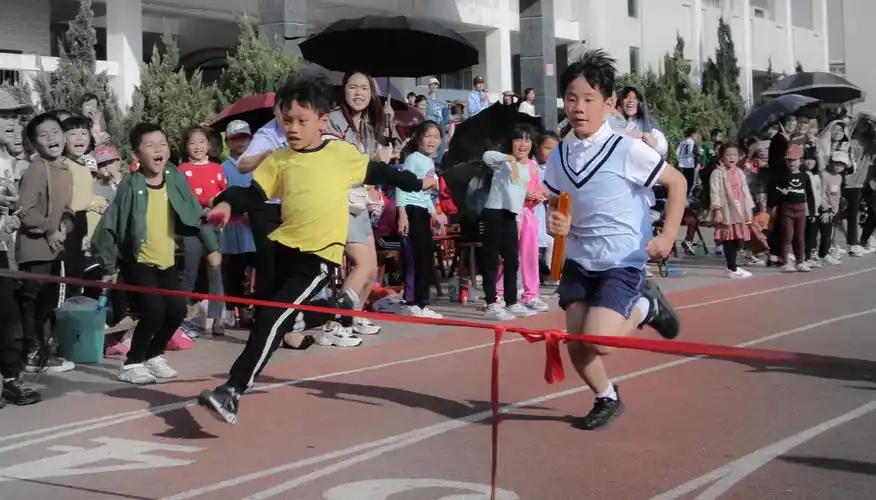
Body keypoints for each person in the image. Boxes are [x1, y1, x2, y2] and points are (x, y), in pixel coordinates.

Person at [198, 74, 437, 424]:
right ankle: (338, 308)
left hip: (317, 256)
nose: (292, 128)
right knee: (268, 320)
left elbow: (379, 171)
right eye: (286, 120)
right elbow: (250, 195)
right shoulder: (279, 159)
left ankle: (233, 391)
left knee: (272, 318)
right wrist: (224, 207)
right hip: (282, 248)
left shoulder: (340, 153)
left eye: (301, 121)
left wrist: (417, 182)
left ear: (323, 121)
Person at [544, 49, 684, 431]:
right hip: (579, 260)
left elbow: (677, 182)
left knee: (600, 342)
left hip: (622, 260)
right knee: (576, 343)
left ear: (608, 104)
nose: (579, 108)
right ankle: (606, 397)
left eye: (589, 99)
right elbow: (556, 201)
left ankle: (645, 306)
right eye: (571, 99)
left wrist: (668, 234)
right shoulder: (560, 153)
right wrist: (555, 220)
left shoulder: (626, 148)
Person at [92, 123, 221, 384]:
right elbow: (109, 225)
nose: (158, 149)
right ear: (137, 155)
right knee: (153, 313)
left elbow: (195, 213)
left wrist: (212, 247)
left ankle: (153, 355)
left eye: (162, 143)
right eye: (150, 146)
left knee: (176, 312)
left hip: (166, 260)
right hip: (138, 259)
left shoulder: (174, 178)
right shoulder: (131, 184)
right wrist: (108, 266)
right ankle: (131, 364)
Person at [16, 113, 76, 374]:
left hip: (55, 248)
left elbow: (67, 208)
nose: (52, 138)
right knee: (34, 301)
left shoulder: (64, 168)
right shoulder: (37, 169)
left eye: (55, 131)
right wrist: (51, 228)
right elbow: (25, 212)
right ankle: (32, 354)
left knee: (49, 302)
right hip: (35, 249)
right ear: (33, 144)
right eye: (43, 135)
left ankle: (44, 353)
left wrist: (65, 224)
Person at [396, 121, 445, 318]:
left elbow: (425, 195)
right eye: (428, 136)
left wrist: (434, 214)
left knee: (425, 258)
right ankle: (411, 302)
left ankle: (422, 303)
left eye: (436, 137)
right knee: (414, 258)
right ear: (419, 138)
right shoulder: (413, 159)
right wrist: (402, 213)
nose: (432, 140)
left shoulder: (429, 162)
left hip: (423, 211)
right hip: (410, 210)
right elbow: (401, 185)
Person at [708, 144, 756, 279]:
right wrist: (717, 209)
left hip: (740, 208)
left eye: (735, 155)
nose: (732, 157)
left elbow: (745, 191)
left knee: (737, 238)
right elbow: (714, 192)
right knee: (728, 238)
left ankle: (733, 265)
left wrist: (748, 209)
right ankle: (731, 268)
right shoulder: (717, 173)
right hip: (726, 209)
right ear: (722, 157)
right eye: (728, 154)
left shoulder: (740, 172)